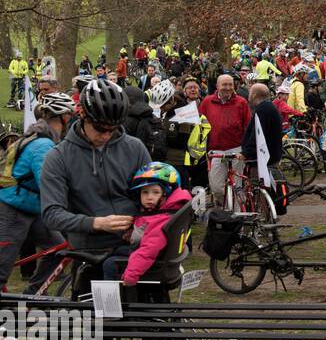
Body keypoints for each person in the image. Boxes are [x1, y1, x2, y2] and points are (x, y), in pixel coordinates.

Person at [39, 80, 151, 279]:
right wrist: (95, 223)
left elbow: (154, 195)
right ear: (82, 115)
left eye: (114, 128)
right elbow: (52, 213)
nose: (107, 135)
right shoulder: (58, 157)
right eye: (100, 128)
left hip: (134, 249)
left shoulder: (135, 148)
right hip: (90, 253)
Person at [0, 93, 74, 290]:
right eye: (70, 116)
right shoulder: (43, 145)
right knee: (1, 270)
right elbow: (49, 184)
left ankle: (31, 296)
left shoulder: (38, 138)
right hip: (13, 209)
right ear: (64, 117)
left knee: (59, 250)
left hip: (32, 209)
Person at [112, 163, 192, 303]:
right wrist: (133, 233)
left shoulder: (162, 219)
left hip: (154, 263)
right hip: (160, 259)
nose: (149, 197)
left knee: (109, 264)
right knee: (117, 250)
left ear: (165, 194)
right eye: (145, 192)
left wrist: (131, 276)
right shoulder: (164, 211)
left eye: (155, 192)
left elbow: (149, 249)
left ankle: (116, 304)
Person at [199, 74, 252, 198]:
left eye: (230, 85)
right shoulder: (207, 102)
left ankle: (239, 213)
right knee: (216, 187)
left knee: (237, 186)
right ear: (217, 86)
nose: (228, 88)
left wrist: (245, 150)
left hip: (236, 150)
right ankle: (226, 208)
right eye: (224, 85)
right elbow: (200, 126)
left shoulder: (241, 102)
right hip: (216, 150)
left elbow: (248, 127)